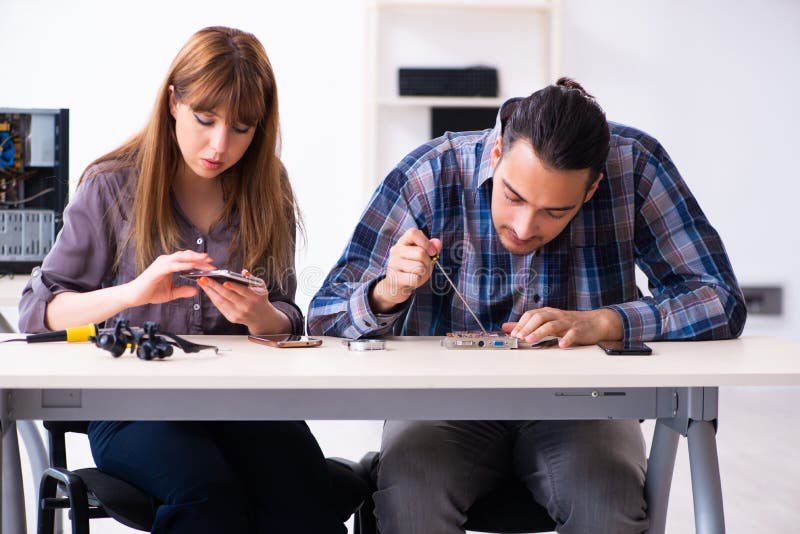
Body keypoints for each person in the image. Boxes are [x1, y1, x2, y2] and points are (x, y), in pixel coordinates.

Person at [308, 78, 746, 533]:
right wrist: (386, 292)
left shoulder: (635, 166)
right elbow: (324, 313)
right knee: (410, 503)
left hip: (587, 403)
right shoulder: (431, 172)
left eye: (555, 211)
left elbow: (720, 297)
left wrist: (608, 321)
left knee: (606, 509)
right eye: (513, 196)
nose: (523, 226)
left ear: (593, 187)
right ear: (496, 154)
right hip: (444, 406)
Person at [19, 26, 344, 534]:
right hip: (132, 408)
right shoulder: (111, 186)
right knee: (205, 497)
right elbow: (39, 310)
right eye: (205, 119)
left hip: (243, 404)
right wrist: (133, 293)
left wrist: (262, 316)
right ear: (173, 101)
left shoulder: (268, 188)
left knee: (305, 499)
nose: (220, 145)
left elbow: (285, 314)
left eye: (242, 128)